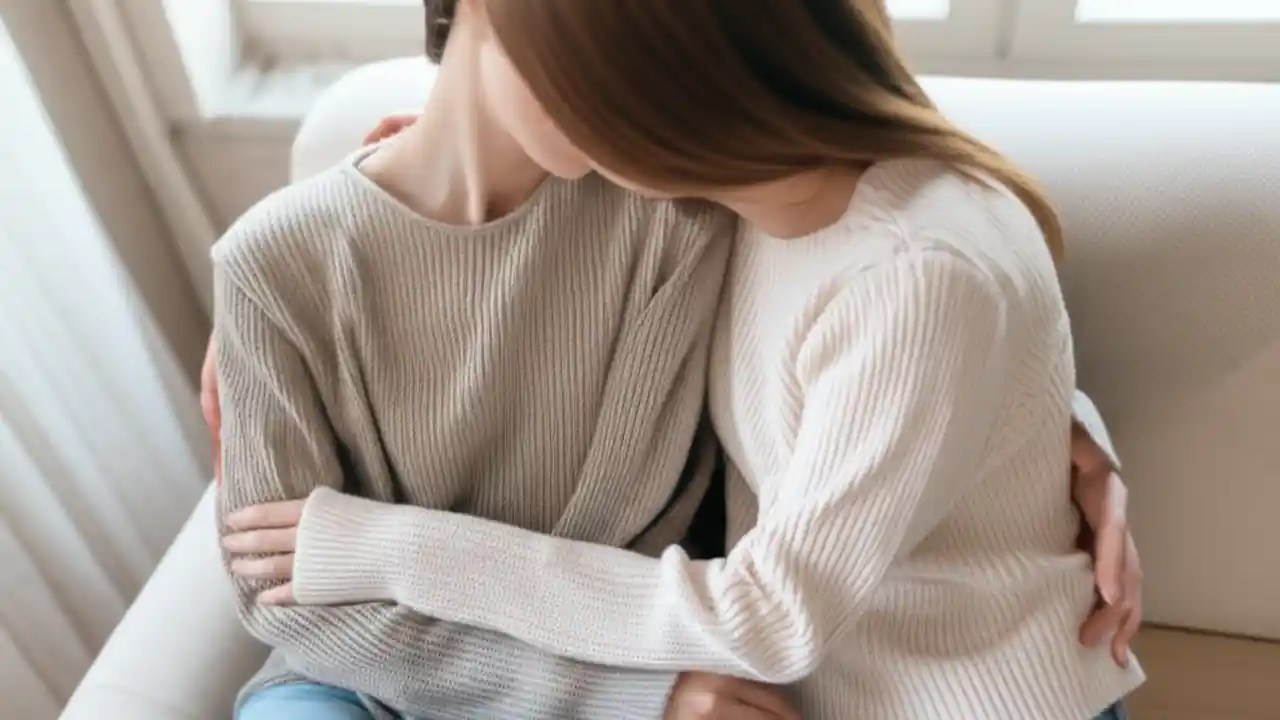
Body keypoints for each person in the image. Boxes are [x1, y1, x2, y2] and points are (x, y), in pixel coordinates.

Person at [215, 0, 1143, 718]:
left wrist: (1040, 422)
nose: (619, 116)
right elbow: (288, 594)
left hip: (757, 671)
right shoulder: (272, 266)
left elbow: (918, 297)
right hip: (393, 665)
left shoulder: (678, 191)